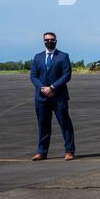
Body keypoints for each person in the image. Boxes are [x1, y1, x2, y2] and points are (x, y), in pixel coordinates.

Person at [29, 32, 74, 160]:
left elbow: (67, 75)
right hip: (41, 97)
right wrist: (42, 88)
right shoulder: (38, 57)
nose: (49, 41)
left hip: (59, 96)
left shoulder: (63, 56)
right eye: (47, 40)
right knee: (43, 125)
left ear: (56, 41)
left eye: (52, 39)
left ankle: (69, 151)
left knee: (65, 124)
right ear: (44, 41)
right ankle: (42, 152)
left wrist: (53, 87)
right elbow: (33, 76)